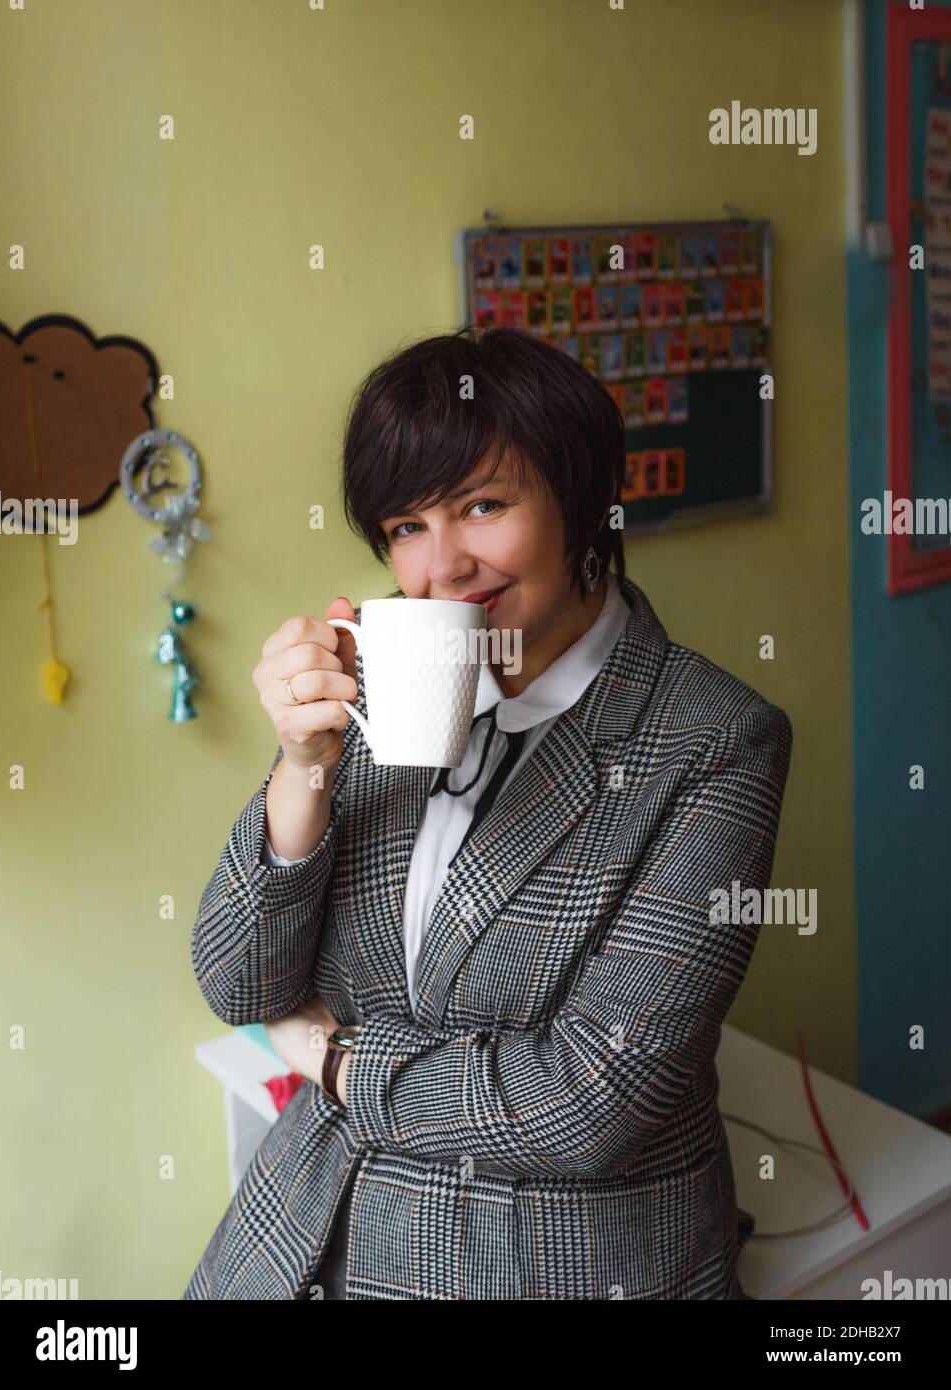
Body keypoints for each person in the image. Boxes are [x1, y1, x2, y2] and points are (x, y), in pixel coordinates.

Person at [183, 326, 792, 1301]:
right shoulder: (380, 672)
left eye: (482, 505)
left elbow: (590, 1103)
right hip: (310, 1230)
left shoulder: (711, 739)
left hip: (563, 1265)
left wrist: (331, 1056)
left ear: (583, 501)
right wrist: (302, 766)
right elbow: (238, 979)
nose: (442, 566)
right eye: (405, 526)